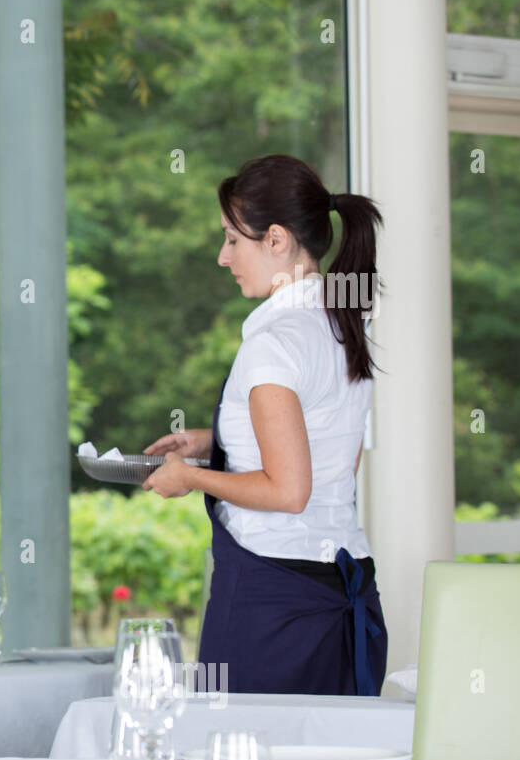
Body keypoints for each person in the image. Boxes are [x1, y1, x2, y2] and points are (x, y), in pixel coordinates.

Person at [141, 154, 388, 696]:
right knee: (335, 751)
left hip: (272, 602)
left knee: (234, 748)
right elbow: (333, 454)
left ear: (276, 239)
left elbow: (289, 491)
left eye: (233, 239)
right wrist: (215, 441)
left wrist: (189, 476)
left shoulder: (274, 343)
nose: (223, 256)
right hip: (343, 589)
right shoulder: (343, 329)